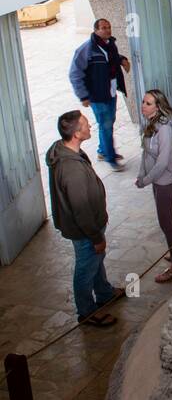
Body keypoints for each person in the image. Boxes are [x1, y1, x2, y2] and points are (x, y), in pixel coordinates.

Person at [47, 110, 124, 327]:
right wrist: (96, 236)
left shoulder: (68, 151)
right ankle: (87, 311)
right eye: (86, 124)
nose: (90, 126)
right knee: (86, 267)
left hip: (88, 227)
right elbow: (81, 210)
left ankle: (104, 293)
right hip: (85, 230)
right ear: (76, 134)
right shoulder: (71, 169)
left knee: (95, 261)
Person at [135, 89, 172, 284]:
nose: (143, 106)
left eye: (148, 103)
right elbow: (146, 153)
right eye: (143, 102)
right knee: (167, 221)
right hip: (156, 182)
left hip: (166, 183)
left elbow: (163, 162)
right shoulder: (151, 123)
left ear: (158, 107)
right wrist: (141, 175)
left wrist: (145, 180)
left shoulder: (164, 128)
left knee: (165, 222)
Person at [69, 18, 130, 171]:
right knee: (106, 125)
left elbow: (111, 58)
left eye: (109, 27)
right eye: (103, 28)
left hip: (110, 92)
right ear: (96, 30)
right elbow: (74, 74)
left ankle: (103, 151)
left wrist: (122, 59)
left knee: (109, 122)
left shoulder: (110, 44)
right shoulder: (86, 49)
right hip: (97, 96)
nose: (107, 30)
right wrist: (83, 96)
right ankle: (111, 158)